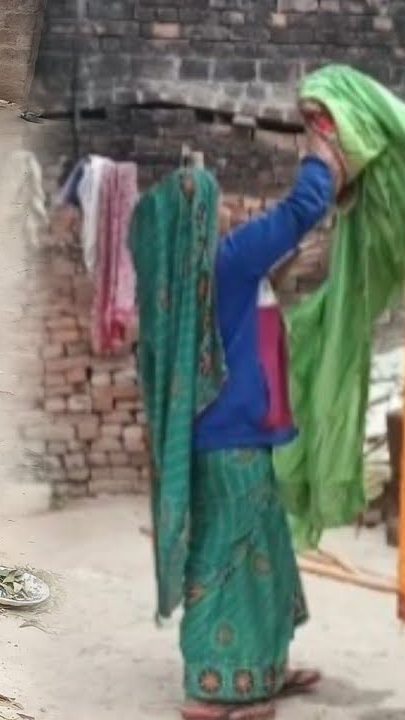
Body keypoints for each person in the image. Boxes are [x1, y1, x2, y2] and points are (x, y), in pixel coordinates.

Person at [129, 133, 345, 720]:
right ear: (201, 219)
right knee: (229, 562)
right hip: (233, 445)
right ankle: (212, 690)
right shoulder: (227, 260)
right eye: (214, 202)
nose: (224, 210)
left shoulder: (171, 288)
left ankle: (263, 668)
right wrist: (321, 158)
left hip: (205, 443)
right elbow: (299, 212)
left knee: (262, 551)